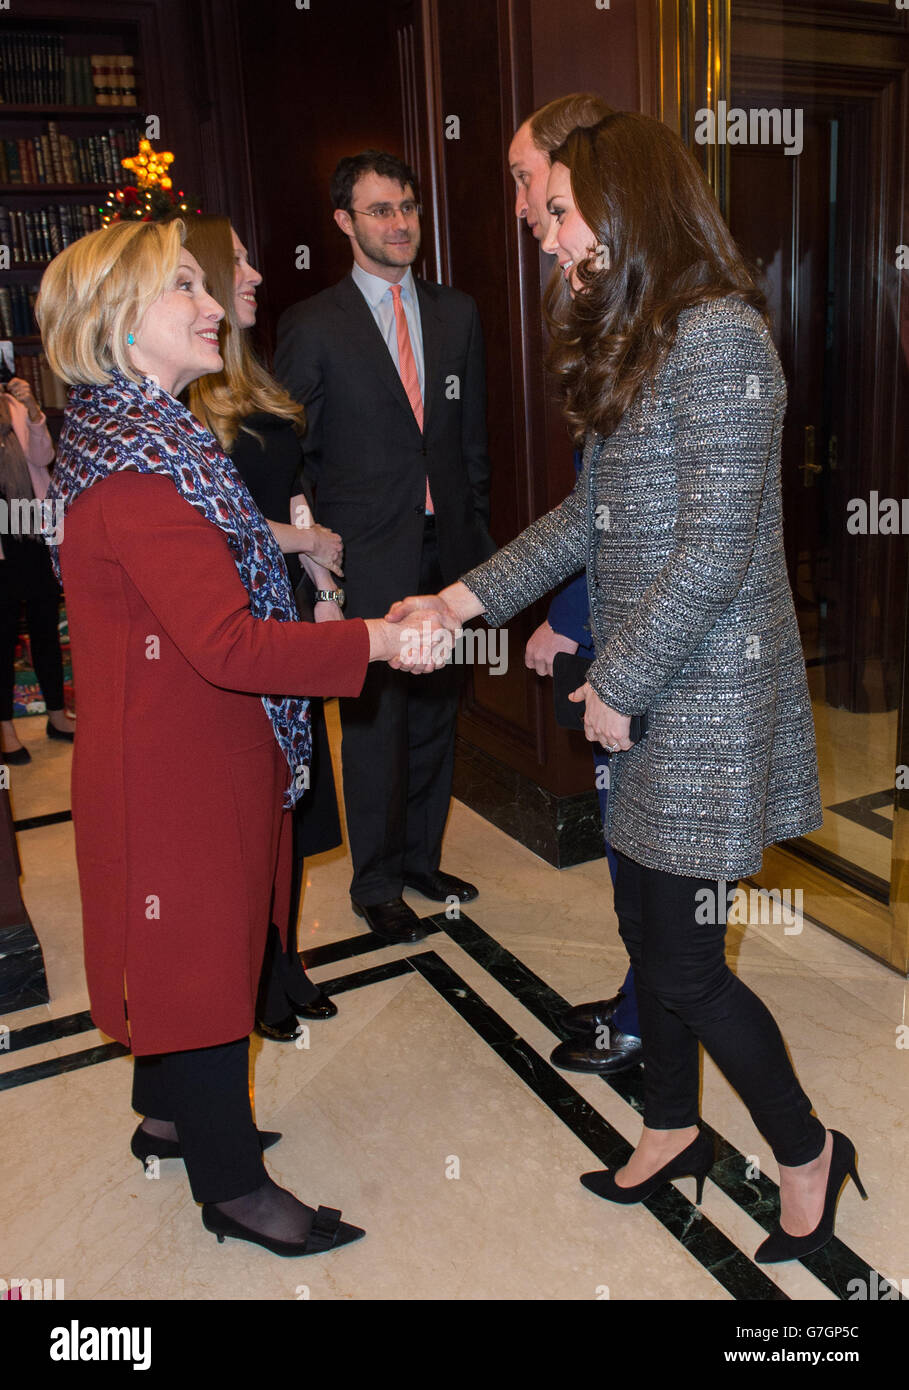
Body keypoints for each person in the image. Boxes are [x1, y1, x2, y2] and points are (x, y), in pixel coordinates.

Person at [386, 112, 867, 1262]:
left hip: (703, 703)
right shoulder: (646, 336)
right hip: (654, 698)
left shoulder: (721, 339)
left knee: (689, 964)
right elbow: (584, 520)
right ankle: (669, 1125)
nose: (548, 237)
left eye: (559, 212)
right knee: (648, 936)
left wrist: (620, 679)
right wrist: (460, 602)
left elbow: (714, 545)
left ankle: (807, 1152)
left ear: (633, 203)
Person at [35, 218, 452, 1257]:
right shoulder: (140, 473)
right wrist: (375, 643)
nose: (213, 301)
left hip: (192, 745)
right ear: (123, 326)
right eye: (184, 287)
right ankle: (232, 1189)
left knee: (197, 951)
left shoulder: (143, 437)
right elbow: (226, 642)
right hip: (177, 765)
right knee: (204, 960)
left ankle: (169, 1116)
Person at [275, 150, 495, 946]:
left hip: (449, 549)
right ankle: (374, 881)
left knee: (438, 711)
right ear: (344, 222)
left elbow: (468, 443)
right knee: (375, 726)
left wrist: (477, 543)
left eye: (406, 207)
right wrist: (317, 558)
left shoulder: (456, 311)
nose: (399, 223)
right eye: (379, 210)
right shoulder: (310, 324)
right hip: (365, 552)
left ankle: (419, 861)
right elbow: (292, 451)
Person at [180, 213, 345, 1043]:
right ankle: (255, 971)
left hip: (291, 604)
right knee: (253, 806)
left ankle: (283, 960)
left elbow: (288, 490)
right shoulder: (185, 403)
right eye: (236, 262)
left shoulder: (259, 381)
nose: (252, 274)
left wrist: (319, 574)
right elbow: (222, 527)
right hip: (239, 620)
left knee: (293, 801)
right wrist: (305, 541)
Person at [508, 92, 642, 1076]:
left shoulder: (672, 331)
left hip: (647, 647)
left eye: (537, 192)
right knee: (630, 846)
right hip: (619, 629)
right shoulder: (605, 313)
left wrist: (568, 618)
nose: (528, 216)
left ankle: (649, 1014)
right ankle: (646, 996)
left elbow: (630, 517)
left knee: (650, 856)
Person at [0, 374, 75, 763]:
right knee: (3, 635)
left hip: (31, 529)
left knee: (46, 626)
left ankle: (56, 715)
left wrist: (32, 411)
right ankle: (6, 730)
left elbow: (44, 458)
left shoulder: (13, 405)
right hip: (2, 541)